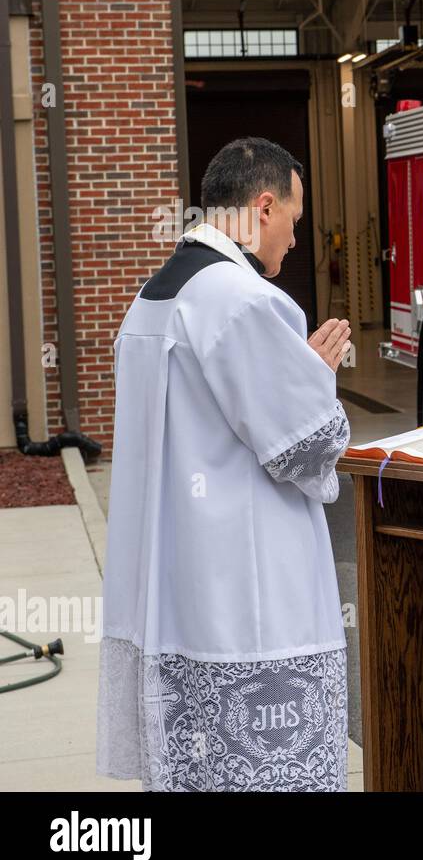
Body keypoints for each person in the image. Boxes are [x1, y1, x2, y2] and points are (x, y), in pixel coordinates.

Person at [95, 137, 354, 791]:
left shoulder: (151, 301)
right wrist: (318, 381)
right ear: (263, 207)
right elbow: (304, 446)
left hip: (177, 593)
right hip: (251, 601)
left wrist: (298, 376)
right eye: (294, 221)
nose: (295, 241)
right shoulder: (242, 302)